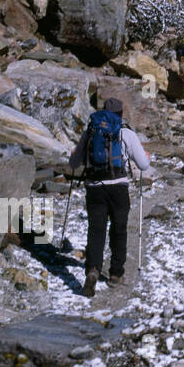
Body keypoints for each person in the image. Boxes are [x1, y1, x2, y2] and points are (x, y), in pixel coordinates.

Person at [68, 97, 154, 297]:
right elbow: (143, 165)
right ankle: (116, 274)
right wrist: (146, 156)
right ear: (121, 114)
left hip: (94, 187)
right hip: (118, 188)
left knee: (96, 230)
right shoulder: (126, 133)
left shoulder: (91, 131)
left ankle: (92, 270)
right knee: (119, 229)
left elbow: (74, 163)